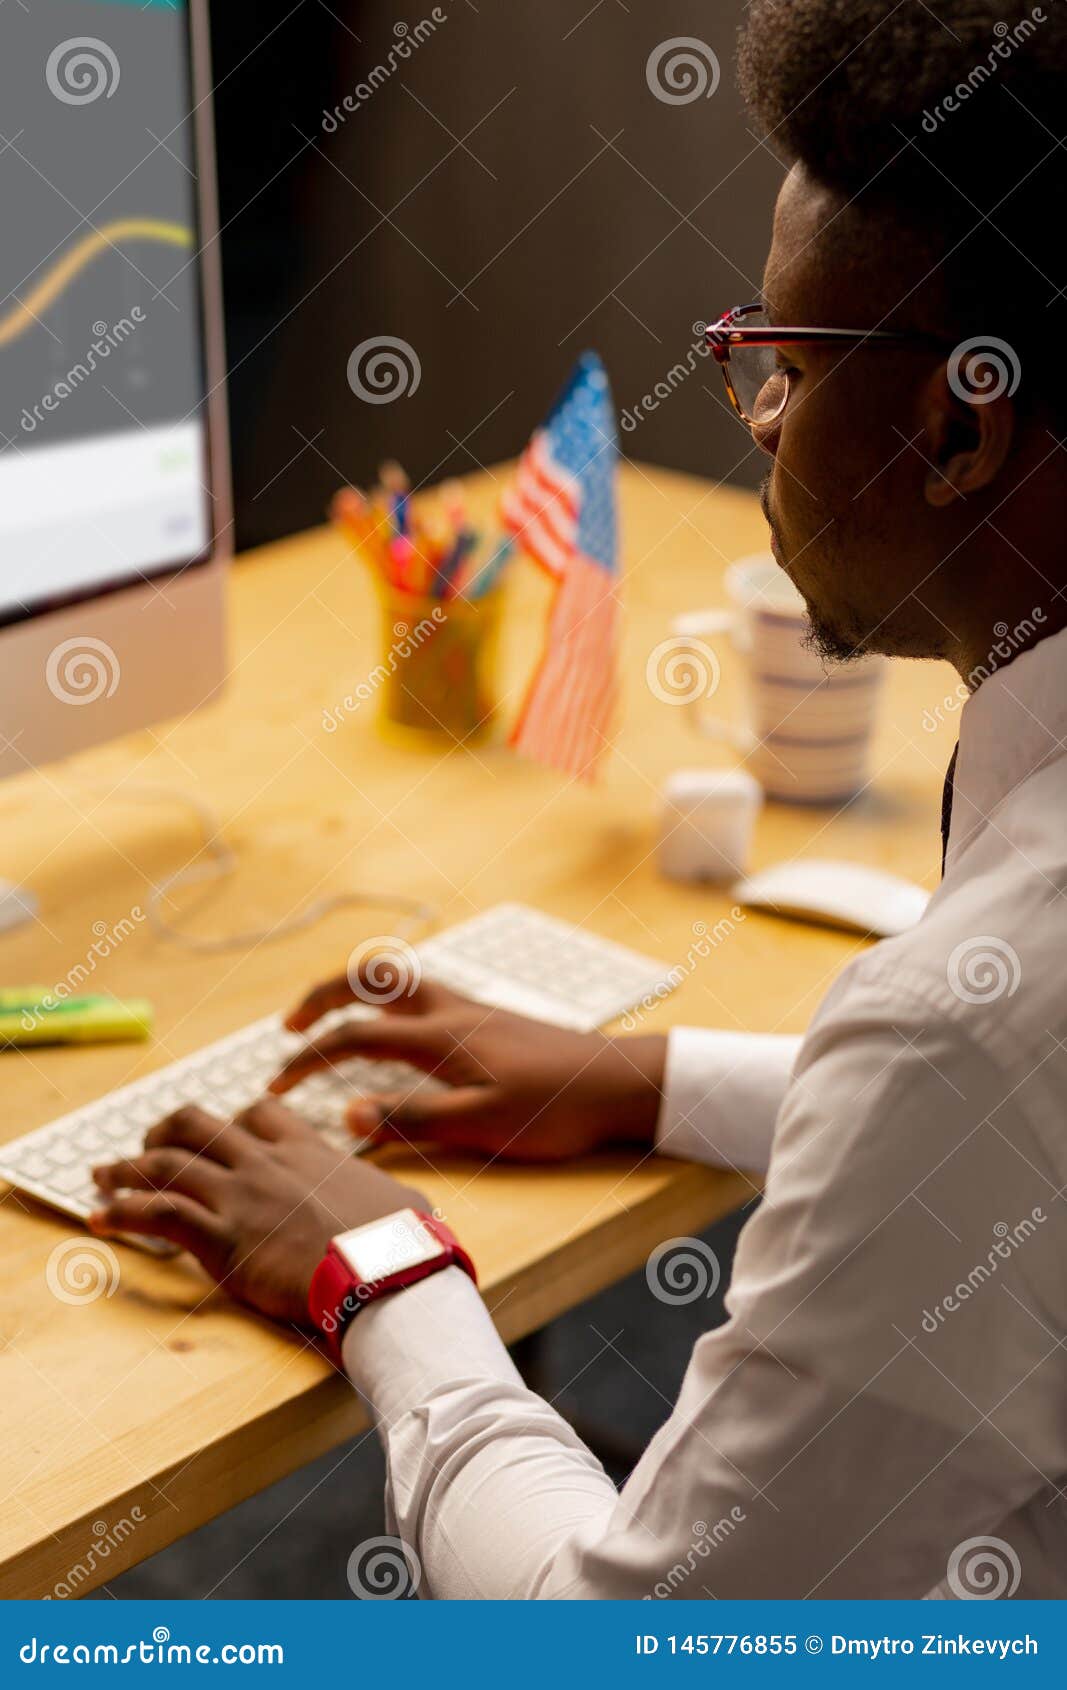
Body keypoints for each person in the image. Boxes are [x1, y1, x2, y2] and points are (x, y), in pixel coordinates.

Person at [91, 0, 1067, 1598]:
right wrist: (646, 1074)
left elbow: (609, 1634)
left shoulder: (970, 1034)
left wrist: (380, 1266)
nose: (752, 410)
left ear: (958, 424)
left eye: (786, 360)